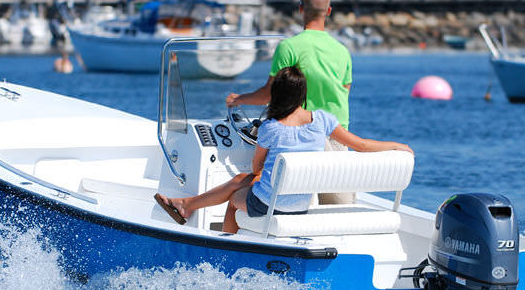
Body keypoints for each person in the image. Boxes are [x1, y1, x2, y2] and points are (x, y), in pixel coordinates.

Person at [154, 66, 412, 233]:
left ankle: (226, 249)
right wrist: (396, 146)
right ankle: (186, 205)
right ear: (303, 94)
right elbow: (362, 146)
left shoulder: (270, 128)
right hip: (299, 204)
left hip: (270, 205)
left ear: (276, 94)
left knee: (234, 200)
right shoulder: (323, 120)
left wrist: (260, 171)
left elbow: (257, 168)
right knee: (239, 181)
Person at [226, 0, 354, 203]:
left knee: (301, 203)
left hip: (305, 136)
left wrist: (238, 100)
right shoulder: (342, 51)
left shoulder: (289, 47)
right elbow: (344, 92)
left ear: (301, 9)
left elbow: (268, 95)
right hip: (338, 135)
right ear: (329, 11)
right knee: (336, 207)